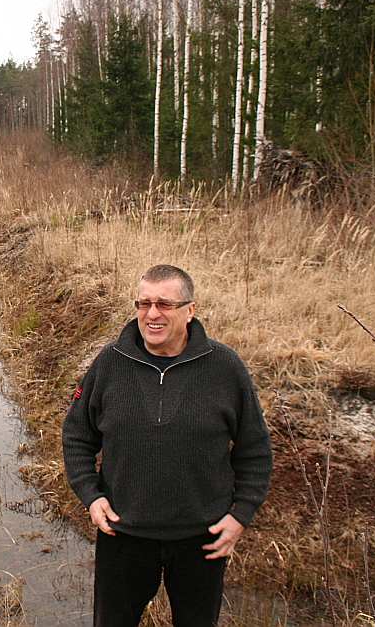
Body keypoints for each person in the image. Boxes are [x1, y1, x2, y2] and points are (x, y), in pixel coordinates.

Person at [62, 264, 272, 627]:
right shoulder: (110, 363)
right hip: (122, 534)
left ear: (190, 310)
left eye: (165, 304)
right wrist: (91, 495)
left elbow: (254, 449)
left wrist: (241, 515)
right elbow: (77, 434)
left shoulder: (225, 368)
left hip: (201, 540)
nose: (152, 314)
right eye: (143, 304)